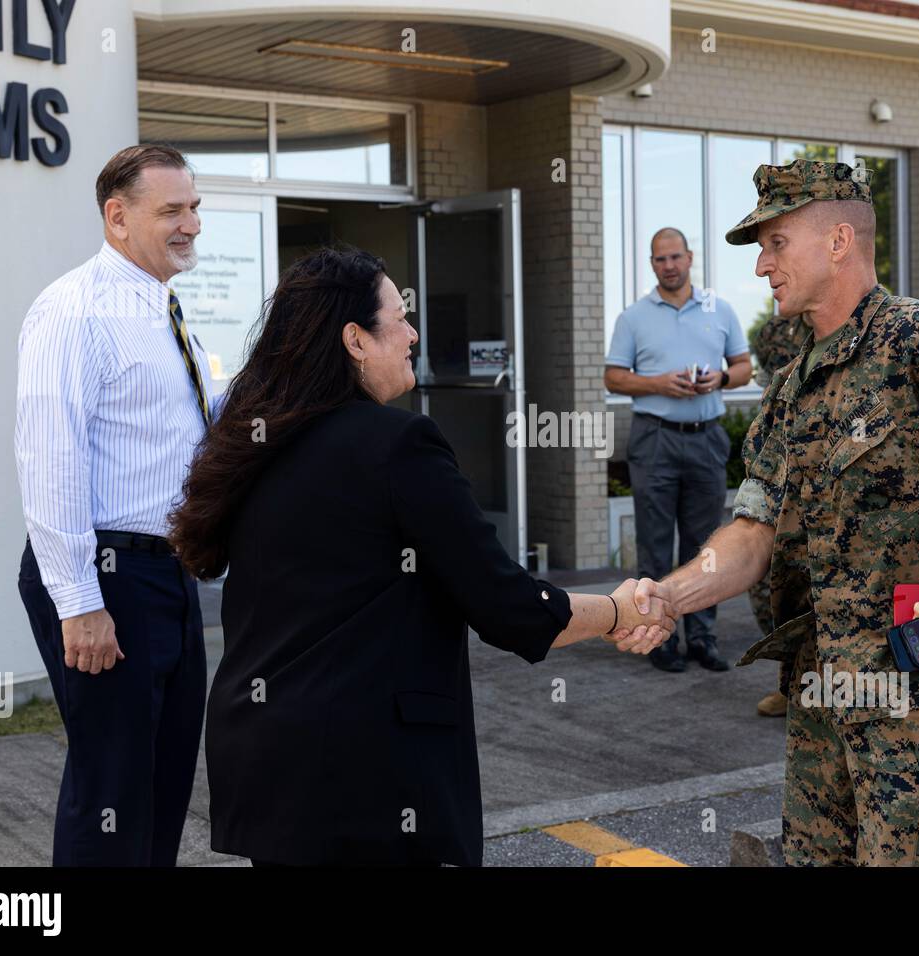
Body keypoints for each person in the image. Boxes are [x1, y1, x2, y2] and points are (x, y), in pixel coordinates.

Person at [613, 159, 919, 865]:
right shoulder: (790, 389)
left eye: (776, 243)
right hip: (824, 705)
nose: (764, 265)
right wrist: (671, 596)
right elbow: (753, 533)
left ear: (837, 241)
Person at [167, 246, 676, 868]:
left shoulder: (255, 441)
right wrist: (619, 611)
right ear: (355, 339)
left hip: (267, 762)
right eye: (399, 318)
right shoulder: (399, 445)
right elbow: (506, 605)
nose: (412, 334)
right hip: (366, 780)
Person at [14, 144, 214, 866]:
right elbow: (50, 461)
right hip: (105, 579)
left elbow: (197, 418)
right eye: (172, 211)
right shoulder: (75, 310)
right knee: (112, 788)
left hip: (166, 576)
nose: (191, 224)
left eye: (195, 207)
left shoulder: (162, 305)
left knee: (162, 783)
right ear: (117, 216)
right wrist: (80, 603)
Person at [604, 227, 752, 673]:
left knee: (705, 546)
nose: (668, 265)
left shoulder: (719, 310)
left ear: (690, 258)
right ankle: (657, 637)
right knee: (653, 544)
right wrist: (657, 383)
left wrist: (721, 379)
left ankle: (702, 639)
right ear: (652, 264)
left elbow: (744, 367)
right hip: (655, 436)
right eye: (659, 259)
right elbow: (613, 377)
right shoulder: (633, 317)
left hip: (706, 435)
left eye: (675, 257)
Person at [748, 311, 810, 718]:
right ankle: (790, 684)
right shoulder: (771, 333)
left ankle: (811, 688)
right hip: (784, 464)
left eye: (780, 244)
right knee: (770, 589)